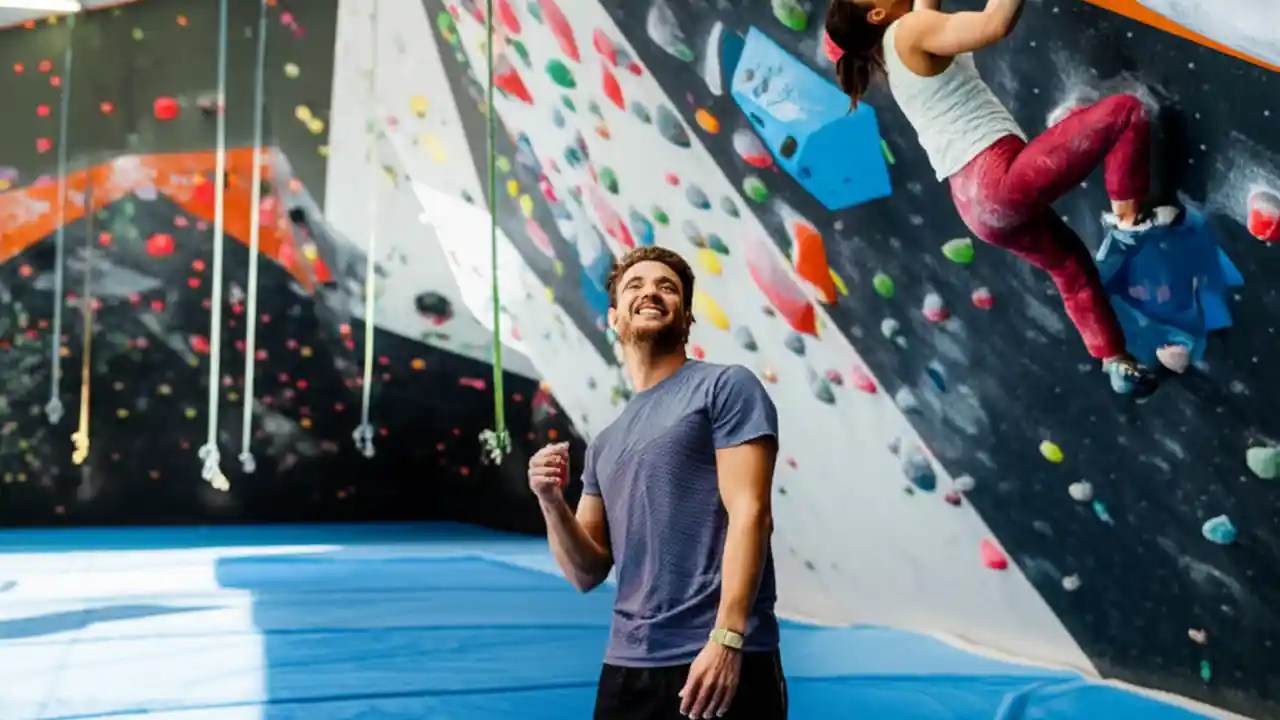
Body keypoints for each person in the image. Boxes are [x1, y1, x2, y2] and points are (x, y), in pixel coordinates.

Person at [825, 0, 1181, 397]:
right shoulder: (909, 31)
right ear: (876, 14)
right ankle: (1129, 224)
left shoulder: (895, 48)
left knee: (1069, 268)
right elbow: (994, 24)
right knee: (1125, 113)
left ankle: (1114, 360)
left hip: (974, 206)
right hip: (994, 178)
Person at [527, 246, 787, 719]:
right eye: (636, 285)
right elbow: (586, 572)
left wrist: (728, 637)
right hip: (627, 664)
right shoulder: (605, 443)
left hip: (716, 655)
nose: (651, 291)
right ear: (614, 317)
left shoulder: (725, 387)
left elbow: (750, 512)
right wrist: (549, 501)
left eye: (667, 286)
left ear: (686, 317)